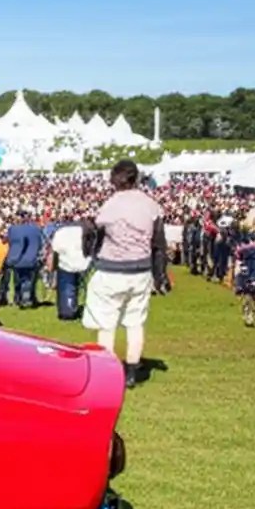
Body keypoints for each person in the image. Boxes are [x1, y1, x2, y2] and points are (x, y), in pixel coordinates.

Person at [83, 160, 166, 388]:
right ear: (136, 178)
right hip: (140, 269)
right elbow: (159, 242)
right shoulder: (150, 205)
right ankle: (131, 371)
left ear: (114, 180)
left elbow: (95, 235)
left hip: (111, 269)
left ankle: (107, 372)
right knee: (135, 322)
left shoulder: (110, 205)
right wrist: (160, 275)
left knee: (106, 324)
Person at [50, 219, 92, 320]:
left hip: (66, 264)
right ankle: (87, 309)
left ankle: (68, 310)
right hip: (83, 263)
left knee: (67, 288)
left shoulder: (60, 232)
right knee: (84, 287)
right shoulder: (83, 230)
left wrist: (53, 268)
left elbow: (55, 251)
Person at [0, 211, 42, 308]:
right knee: (28, 280)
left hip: (16, 258)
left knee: (18, 280)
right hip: (32, 258)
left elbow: (9, 243)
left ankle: (20, 299)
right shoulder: (36, 229)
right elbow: (40, 244)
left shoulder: (13, 229)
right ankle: (27, 298)